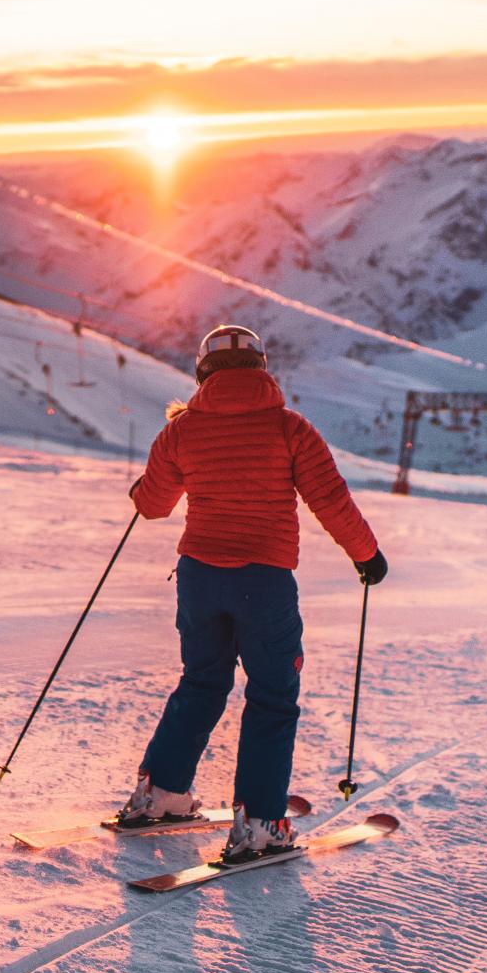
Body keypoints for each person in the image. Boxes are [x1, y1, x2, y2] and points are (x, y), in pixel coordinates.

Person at [122, 323, 388, 862]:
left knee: (200, 682)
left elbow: (151, 505)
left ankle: (161, 795)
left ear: (203, 372)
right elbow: (330, 499)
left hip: (199, 577)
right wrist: (366, 555)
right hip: (262, 582)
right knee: (271, 697)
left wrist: (142, 488)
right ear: (261, 368)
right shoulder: (289, 428)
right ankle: (261, 823)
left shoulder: (183, 430)